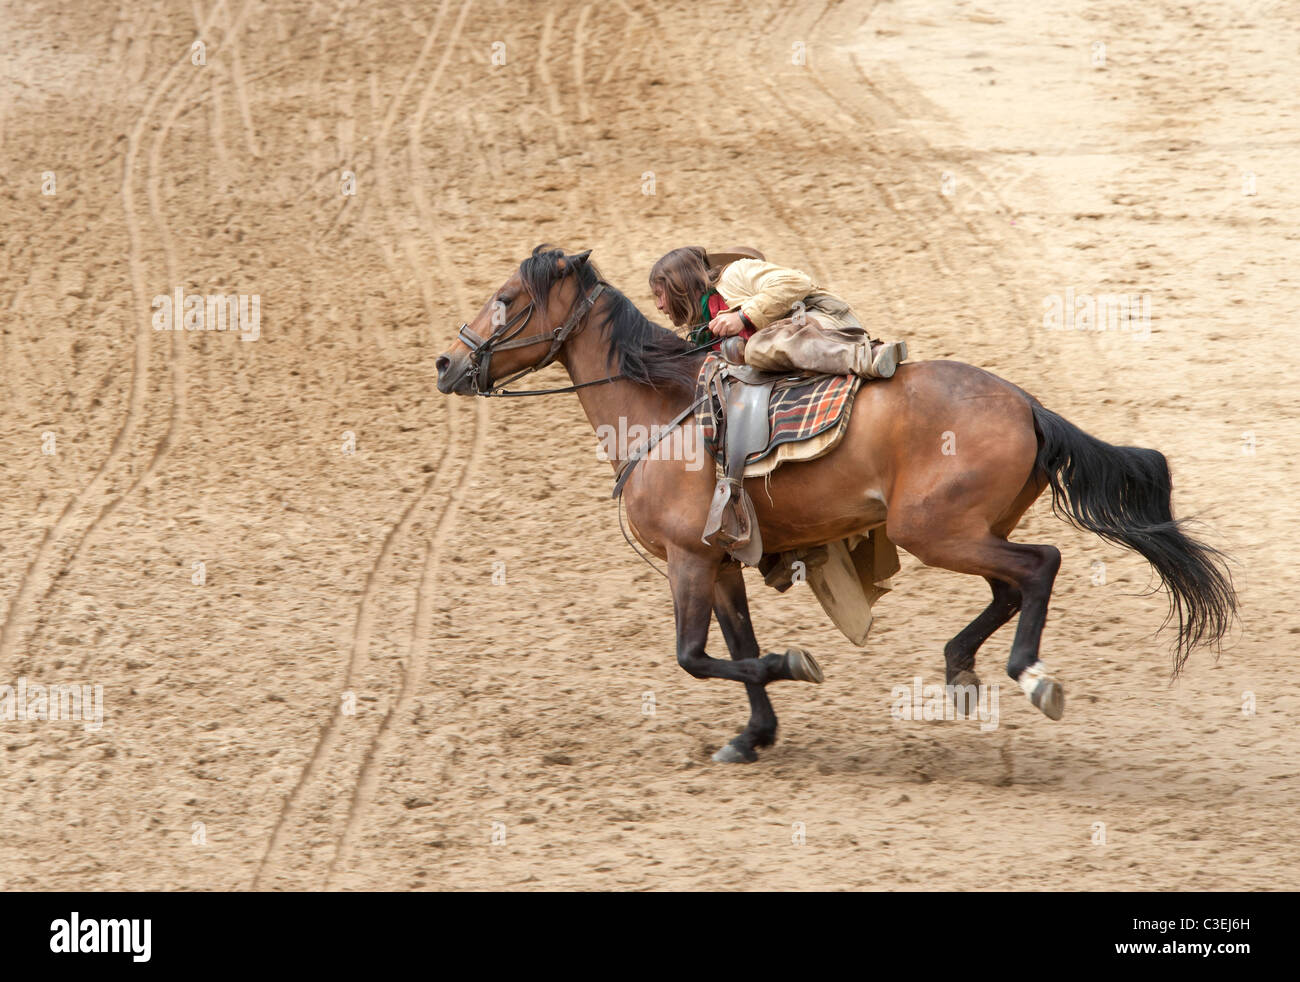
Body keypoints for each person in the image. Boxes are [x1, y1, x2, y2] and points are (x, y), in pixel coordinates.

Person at [649, 246, 907, 378]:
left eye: (660, 295)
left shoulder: (735, 274)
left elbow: (796, 282)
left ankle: (870, 357)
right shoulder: (704, 331)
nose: (659, 306)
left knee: (757, 347)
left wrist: (740, 317)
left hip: (820, 321)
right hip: (802, 342)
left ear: (679, 286)